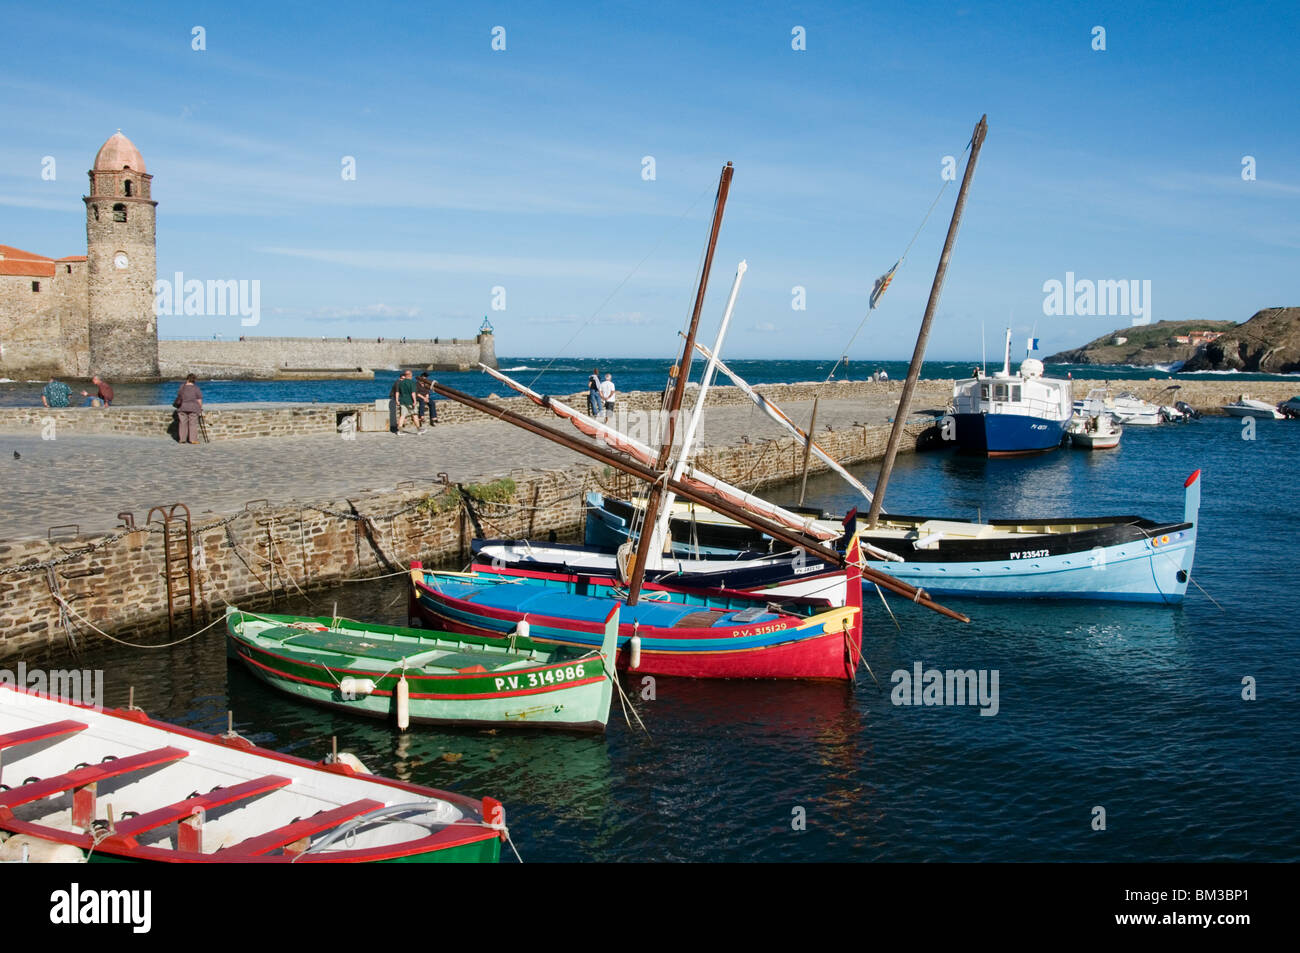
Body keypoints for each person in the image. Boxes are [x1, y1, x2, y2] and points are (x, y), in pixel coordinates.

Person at [173, 374, 203, 445]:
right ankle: (193, 440)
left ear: (187, 379)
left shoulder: (182, 387)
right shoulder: (196, 388)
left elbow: (179, 396)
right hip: (193, 408)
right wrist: (200, 408)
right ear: (194, 380)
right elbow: (199, 400)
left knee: (182, 423)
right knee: (193, 424)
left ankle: (182, 439)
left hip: (182, 407)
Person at [396, 369, 419, 434]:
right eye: (411, 374)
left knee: (402, 416)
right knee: (414, 414)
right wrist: (414, 401)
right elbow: (413, 393)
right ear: (409, 375)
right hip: (410, 401)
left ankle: (399, 430)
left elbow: (398, 392)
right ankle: (419, 429)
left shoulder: (401, 383)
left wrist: (397, 400)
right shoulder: (412, 383)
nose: (412, 376)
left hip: (402, 401)